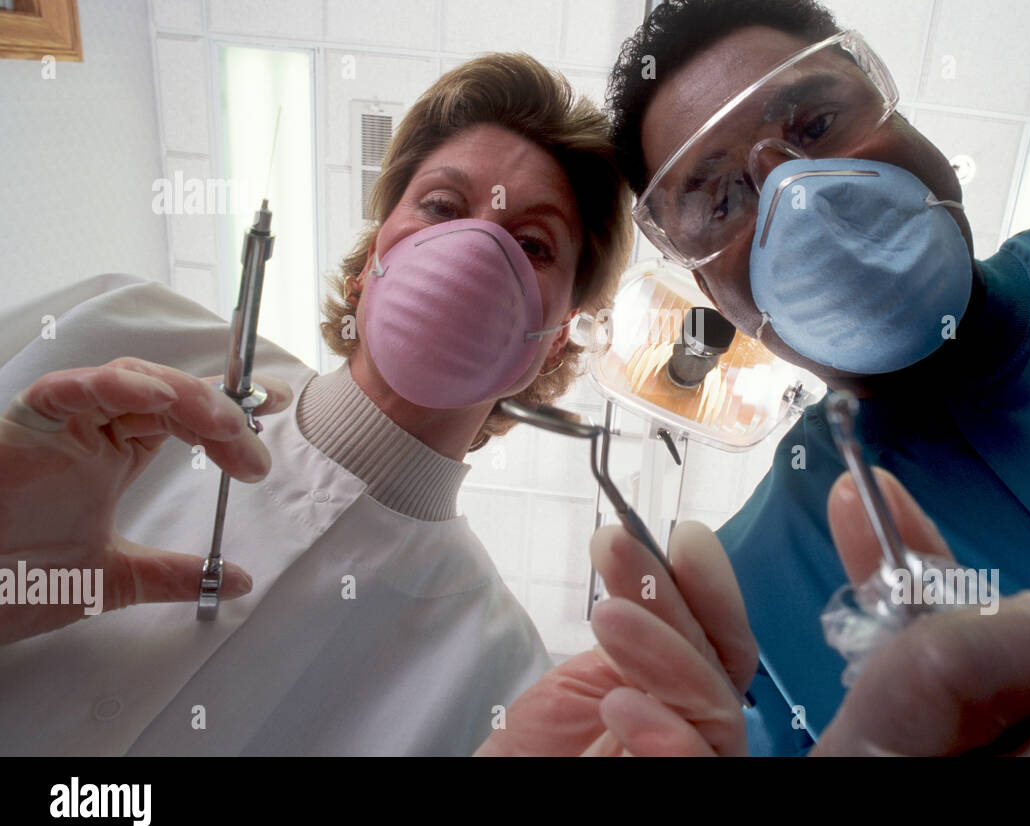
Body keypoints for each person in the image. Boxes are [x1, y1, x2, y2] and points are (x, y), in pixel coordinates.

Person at [592, 0, 1030, 757]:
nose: (796, 194)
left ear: (898, 114)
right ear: (711, 294)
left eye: (816, 123)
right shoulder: (745, 608)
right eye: (722, 199)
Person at [0, 53, 633, 755]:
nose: (477, 248)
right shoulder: (114, 336)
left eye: (533, 244)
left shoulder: (502, 675)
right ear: (372, 262)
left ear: (552, 345)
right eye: (443, 206)